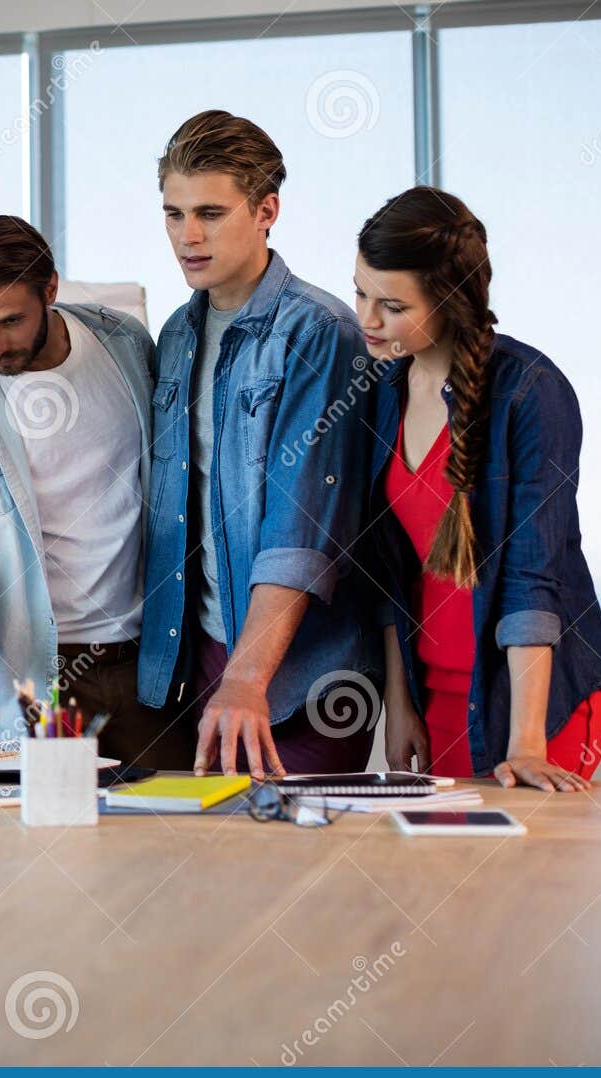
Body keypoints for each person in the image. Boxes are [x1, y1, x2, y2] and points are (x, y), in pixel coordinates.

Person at [137, 109, 380, 778]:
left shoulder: (318, 333)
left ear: (266, 208)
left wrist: (248, 677)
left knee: (299, 873)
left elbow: (299, 529)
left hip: (301, 675)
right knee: (214, 874)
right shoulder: (179, 336)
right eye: (173, 213)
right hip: (206, 659)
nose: (188, 235)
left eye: (210, 213)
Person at [355, 186, 601, 790]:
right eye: (361, 292)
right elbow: (391, 573)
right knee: (447, 884)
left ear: (447, 302)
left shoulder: (531, 392)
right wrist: (400, 704)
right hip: (438, 696)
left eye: (390, 305)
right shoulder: (381, 393)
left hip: (532, 704)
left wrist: (525, 745)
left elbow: (532, 575)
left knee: (518, 884)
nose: (367, 319)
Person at [0, 215, 186, 767]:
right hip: (39, 680)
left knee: (171, 843)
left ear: (50, 288)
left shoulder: (123, 343)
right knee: (46, 848)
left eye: (10, 320)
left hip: (150, 665)